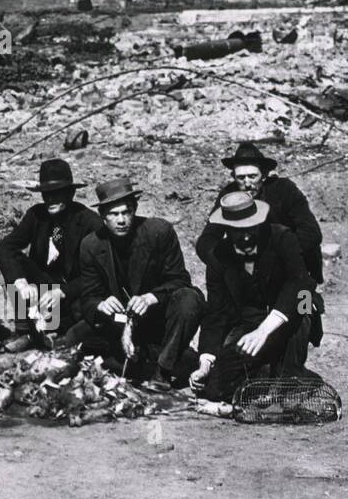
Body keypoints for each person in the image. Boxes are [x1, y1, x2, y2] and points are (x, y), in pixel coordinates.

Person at [77, 176, 205, 390]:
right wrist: (100, 304)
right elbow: (88, 297)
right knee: (75, 341)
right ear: (102, 216)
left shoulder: (158, 232)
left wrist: (151, 297)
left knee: (191, 298)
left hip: (158, 321)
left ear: (134, 210)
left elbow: (180, 280)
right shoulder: (91, 245)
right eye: (113, 214)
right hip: (118, 325)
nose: (121, 220)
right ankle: (151, 361)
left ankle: (162, 372)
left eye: (126, 212)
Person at [193, 192, 316, 403]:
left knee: (305, 307)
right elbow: (216, 312)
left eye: (251, 228)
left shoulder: (282, 238)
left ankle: (290, 374)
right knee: (214, 390)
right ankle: (266, 371)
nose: (246, 237)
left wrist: (266, 329)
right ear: (227, 231)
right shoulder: (218, 256)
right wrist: (206, 361)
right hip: (249, 324)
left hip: (290, 313)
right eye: (237, 231)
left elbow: (301, 282)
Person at [0, 158, 104, 351]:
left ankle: (57, 334)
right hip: (43, 288)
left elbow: (97, 273)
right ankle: (26, 331)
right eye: (46, 194)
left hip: (73, 291)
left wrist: (62, 292)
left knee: (83, 309)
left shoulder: (89, 222)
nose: (50, 200)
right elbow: (4, 249)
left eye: (56, 193)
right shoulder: (36, 215)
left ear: (70, 193)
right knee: (17, 262)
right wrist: (21, 283)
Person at [201, 142, 324, 283]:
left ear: (264, 176)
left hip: (291, 265)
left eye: (252, 176)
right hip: (251, 270)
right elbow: (207, 239)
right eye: (241, 178)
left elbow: (311, 232)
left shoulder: (284, 190)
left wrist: (280, 256)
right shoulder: (230, 196)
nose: (247, 183)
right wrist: (225, 262)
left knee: (306, 300)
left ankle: (309, 301)